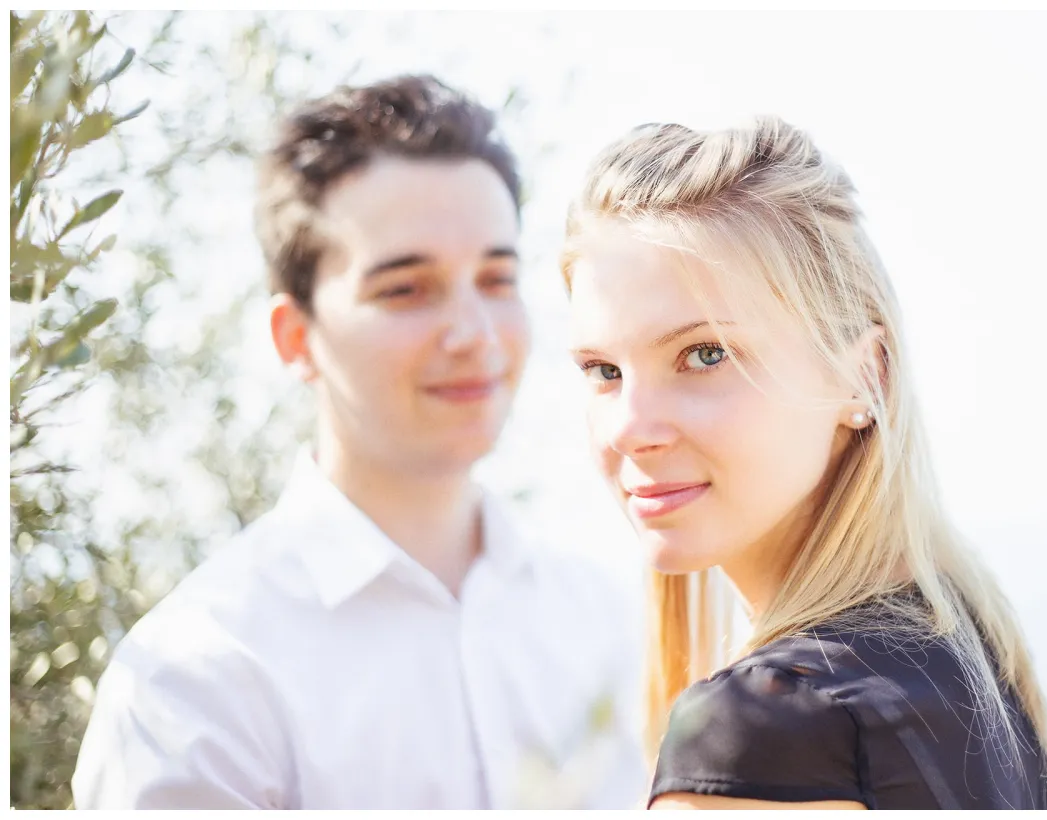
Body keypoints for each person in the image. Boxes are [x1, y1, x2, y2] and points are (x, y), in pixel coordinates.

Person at [71, 75, 646, 810]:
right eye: (406, 289)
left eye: (497, 278)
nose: (475, 335)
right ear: (296, 337)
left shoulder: (612, 624)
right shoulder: (193, 678)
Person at [559, 118, 1047, 810]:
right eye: (603, 370)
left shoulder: (764, 733)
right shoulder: (977, 662)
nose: (631, 429)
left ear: (863, 377)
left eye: (705, 354)